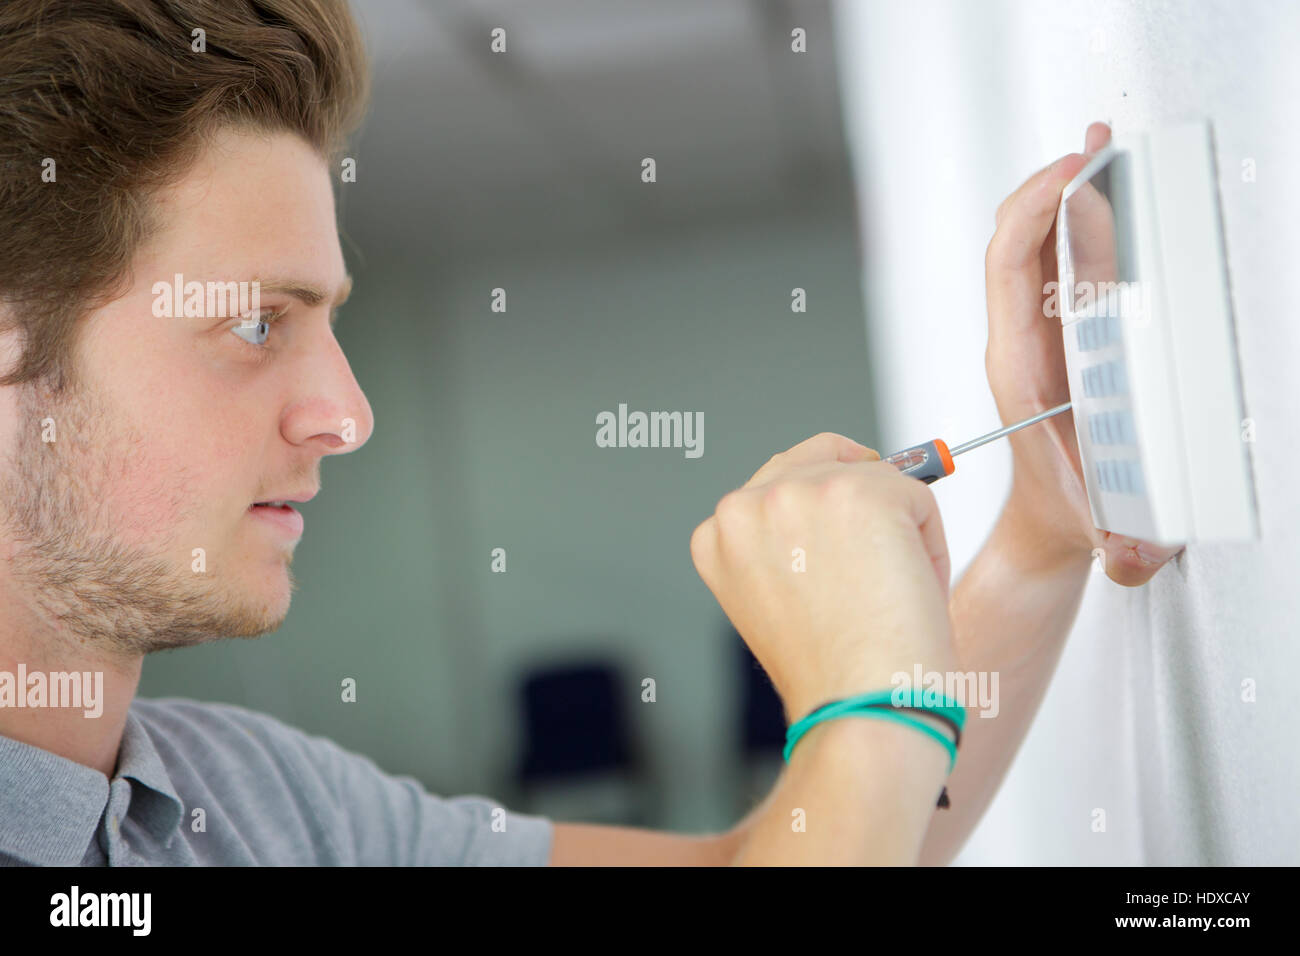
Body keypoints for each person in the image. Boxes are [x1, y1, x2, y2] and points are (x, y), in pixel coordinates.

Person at [0, 0, 1174, 866]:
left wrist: (1034, 530)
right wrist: (869, 699)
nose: (348, 415)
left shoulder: (253, 800)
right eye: (257, 321)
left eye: (325, 321)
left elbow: (787, 855)